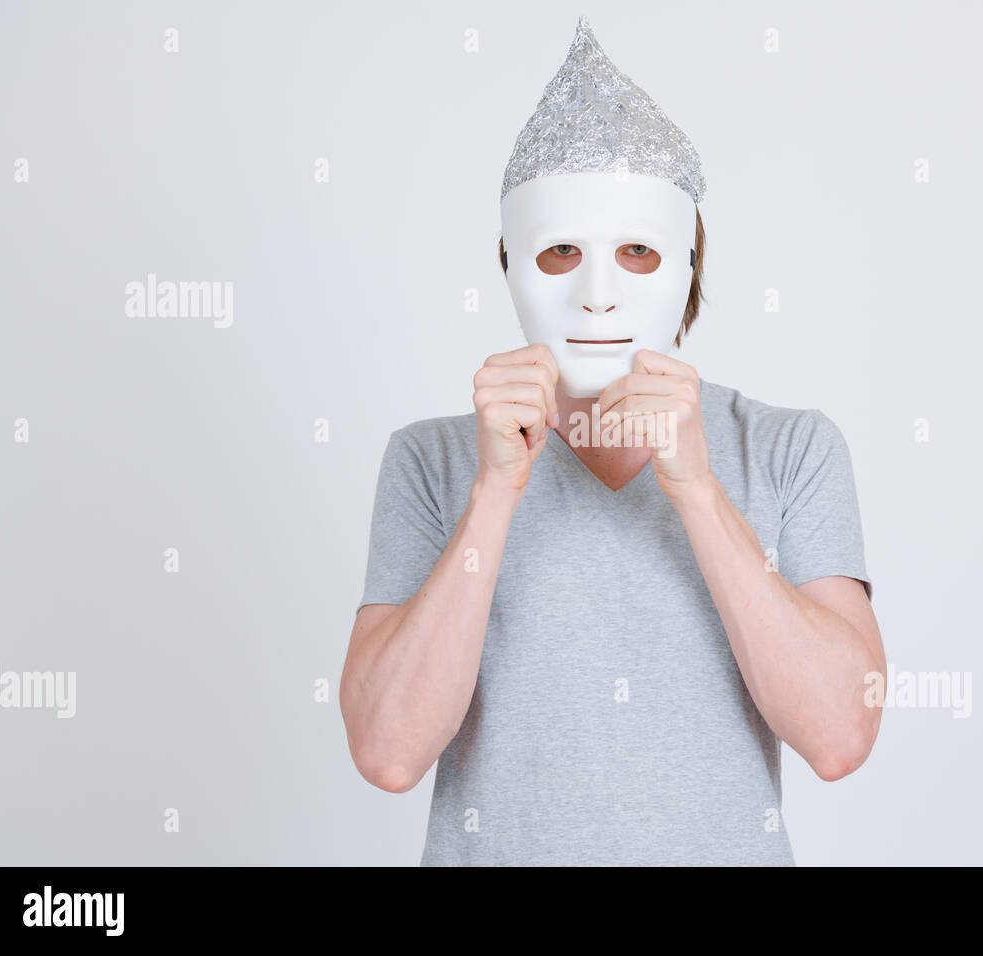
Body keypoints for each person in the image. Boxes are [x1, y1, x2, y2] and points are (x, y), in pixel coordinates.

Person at [338, 16, 885, 866]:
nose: (598, 294)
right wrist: (492, 496)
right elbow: (387, 752)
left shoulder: (789, 450)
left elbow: (840, 735)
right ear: (509, 263)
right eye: (561, 251)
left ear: (690, 266)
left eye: (638, 251)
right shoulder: (430, 463)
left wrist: (700, 492)